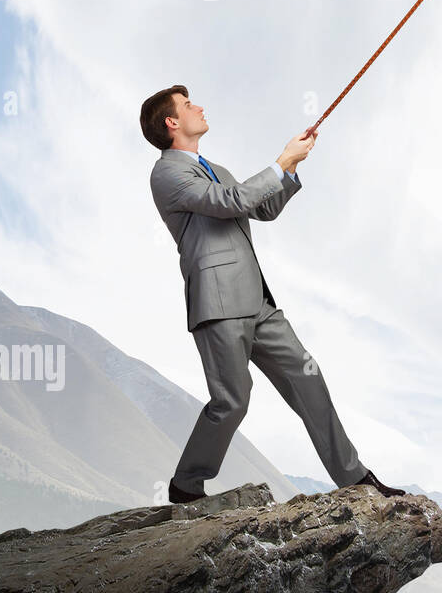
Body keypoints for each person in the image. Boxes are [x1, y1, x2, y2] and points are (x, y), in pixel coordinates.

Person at [139, 84, 405, 502]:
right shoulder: (168, 173)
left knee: (308, 376)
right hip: (218, 304)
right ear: (172, 123)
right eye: (189, 105)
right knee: (232, 401)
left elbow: (260, 207)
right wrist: (281, 162)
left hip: (258, 302)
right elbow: (230, 201)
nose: (200, 106)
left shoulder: (216, 168)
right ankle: (186, 485)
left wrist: (292, 170)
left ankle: (354, 478)